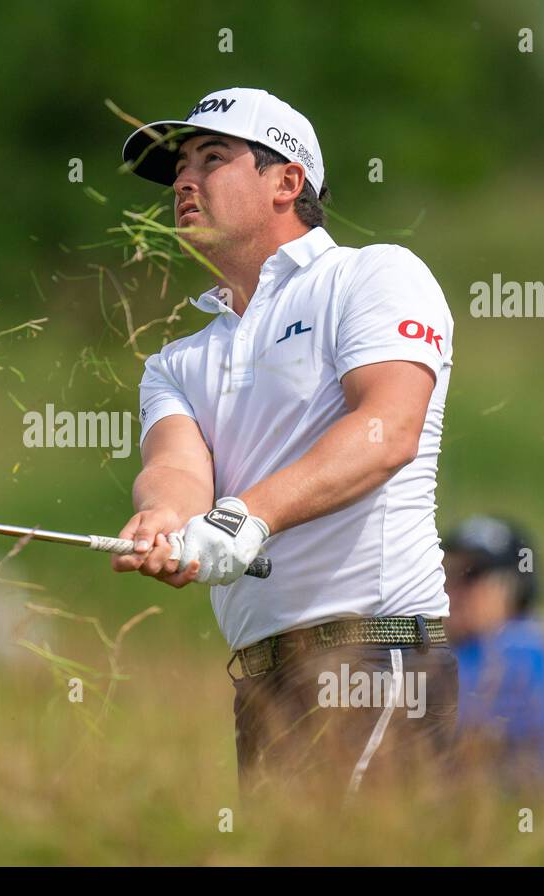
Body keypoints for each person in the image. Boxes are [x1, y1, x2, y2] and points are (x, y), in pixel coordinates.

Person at [112, 87, 458, 800]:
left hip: (373, 652)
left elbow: (387, 430)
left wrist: (247, 517)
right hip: (265, 678)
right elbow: (176, 466)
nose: (183, 180)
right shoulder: (175, 361)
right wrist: (164, 521)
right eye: (180, 166)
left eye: (211, 158)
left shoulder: (372, 276)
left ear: (287, 182)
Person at [443, 515, 544, 789]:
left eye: (471, 575)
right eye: (446, 573)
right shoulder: (464, 648)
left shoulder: (522, 649)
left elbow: (425, 712)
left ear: (514, 588)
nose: (452, 588)